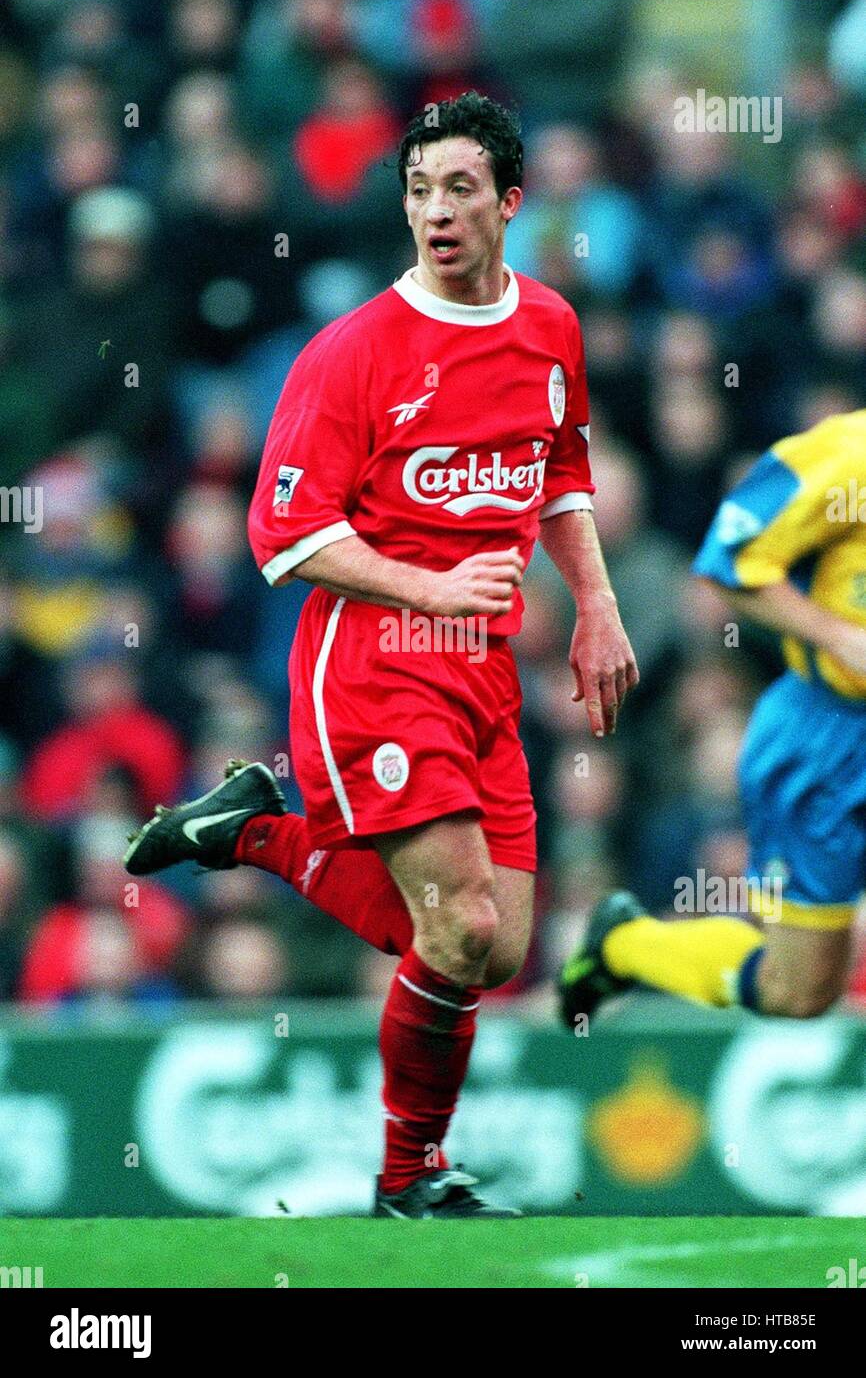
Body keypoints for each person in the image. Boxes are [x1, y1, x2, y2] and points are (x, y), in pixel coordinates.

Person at [126, 92, 638, 1218]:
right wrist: (433, 587)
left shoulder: (550, 325)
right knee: (456, 925)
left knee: (493, 952)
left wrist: (594, 604)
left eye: (459, 189)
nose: (435, 212)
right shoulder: (353, 352)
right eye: (417, 191)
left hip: (483, 668)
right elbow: (281, 531)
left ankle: (255, 828)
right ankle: (408, 1178)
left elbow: (558, 474)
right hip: (372, 661)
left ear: (510, 201)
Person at [559, 410, 866, 1028]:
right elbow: (726, 560)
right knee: (799, 992)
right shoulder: (842, 459)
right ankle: (622, 947)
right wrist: (837, 635)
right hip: (828, 742)